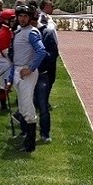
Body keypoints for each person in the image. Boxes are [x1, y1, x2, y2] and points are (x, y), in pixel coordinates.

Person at [9, 5, 46, 152]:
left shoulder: (32, 32)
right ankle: (26, 140)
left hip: (26, 72)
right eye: (20, 16)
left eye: (25, 16)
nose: (22, 19)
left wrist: (30, 68)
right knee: (23, 106)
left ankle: (30, 144)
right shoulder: (18, 31)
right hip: (18, 70)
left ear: (30, 18)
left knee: (27, 105)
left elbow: (41, 51)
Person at [35, 12, 60, 144]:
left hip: (41, 73)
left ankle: (45, 133)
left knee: (43, 105)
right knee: (26, 104)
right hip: (26, 74)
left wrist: (40, 59)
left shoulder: (47, 33)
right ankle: (25, 131)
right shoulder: (20, 32)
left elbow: (54, 53)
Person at [0, 8, 16, 109]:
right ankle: (3, 104)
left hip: (6, 60)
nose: (13, 22)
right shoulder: (4, 33)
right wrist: (14, 59)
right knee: (5, 84)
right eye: (11, 20)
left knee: (4, 83)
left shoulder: (7, 31)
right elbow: (5, 50)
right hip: (5, 61)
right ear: (5, 20)